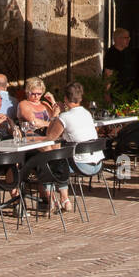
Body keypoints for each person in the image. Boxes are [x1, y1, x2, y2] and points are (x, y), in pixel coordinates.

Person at [44, 82, 103, 211]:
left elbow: (50, 137)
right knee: (59, 159)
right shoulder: (87, 113)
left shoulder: (64, 117)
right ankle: (64, 199)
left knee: (47, 163)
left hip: (80, 165)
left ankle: (51, 199)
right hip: (97, 164)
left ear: (65, 98)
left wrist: (55, 115)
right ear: (80, 99)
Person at [103, 28, 138, 92]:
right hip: (117, 91)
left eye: (129, 38)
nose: (128, 40)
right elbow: (108, 74)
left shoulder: (128, 52)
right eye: (126, 38)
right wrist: (107, 92)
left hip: (129, 90)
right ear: (118, 39)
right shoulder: (111, 54)